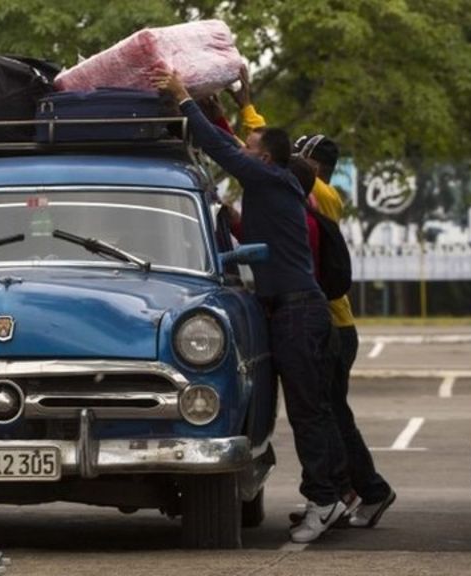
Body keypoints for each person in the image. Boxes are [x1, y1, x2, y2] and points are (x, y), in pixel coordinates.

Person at [151, 68, 347, 543]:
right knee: (311, 407)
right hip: (293, 309)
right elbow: (247, 224)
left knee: (308, 410)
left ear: (266, 159)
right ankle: (330, 494)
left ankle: (325, 499)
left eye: (251, 148)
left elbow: (220, 148)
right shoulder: (271, 188)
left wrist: (182, 98)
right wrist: (222, 206)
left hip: (298, 310)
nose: (243, 151)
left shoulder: (274, 179)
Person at [295, 134, 396, 528]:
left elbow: (271, 163)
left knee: (333, 417)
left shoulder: (322, 194)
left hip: (333, 324)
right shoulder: (316, 191)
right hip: (335, 323)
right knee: (329, 415)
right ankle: (341, 493)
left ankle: (371, 489)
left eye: (300, 159)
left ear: (314, 167)